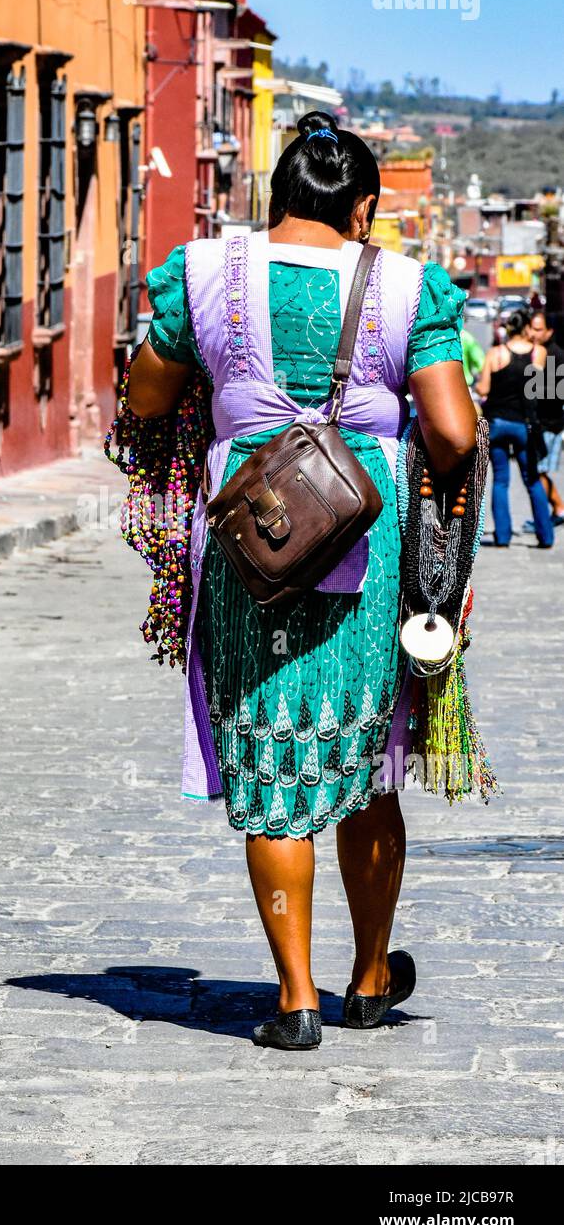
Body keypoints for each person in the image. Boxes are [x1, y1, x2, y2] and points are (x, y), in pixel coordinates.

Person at [127, 111, 477, 1049]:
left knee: (273, 757)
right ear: (364, 207)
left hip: (248, 549)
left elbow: (145, 398)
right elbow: (451, 435)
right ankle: (369, 977)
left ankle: (294, 998)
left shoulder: (201, 275)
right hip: (365, 558)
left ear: (274, 201)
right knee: (368, 772)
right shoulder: (408, 287)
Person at [475, 310, 554, 547]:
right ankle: (546, 536)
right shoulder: (538, 353)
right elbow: (539, 389)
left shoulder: (496, 353)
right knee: (532, 480)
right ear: (527, 328)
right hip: (524, 425)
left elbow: (483, 389)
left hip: (497, 423)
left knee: (500, 480)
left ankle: (503, 536)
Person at [527, 311, 564, 525]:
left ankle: (558, 508)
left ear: (549, 331)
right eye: (531, 327)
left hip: (549, 423)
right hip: (543, 422)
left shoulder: (553, 355)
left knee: (537, 471)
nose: (533, 333)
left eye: (538, 329)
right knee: (537, 471)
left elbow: (551, 394)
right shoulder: (540, 352)